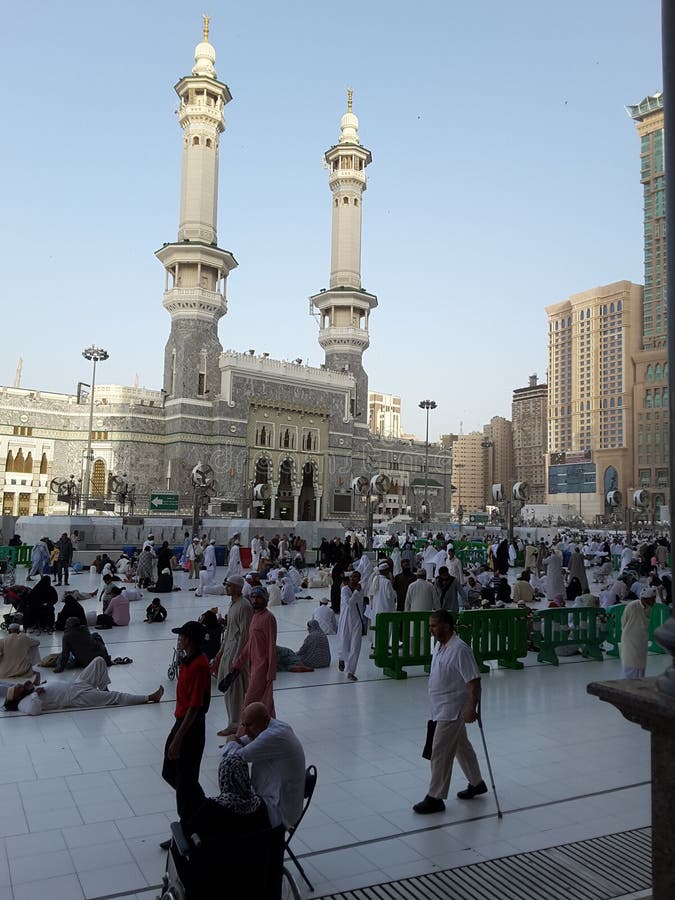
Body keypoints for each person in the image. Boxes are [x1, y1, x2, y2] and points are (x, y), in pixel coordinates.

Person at [228, 702, 306, 896]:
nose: (245, 730)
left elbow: (234, 758)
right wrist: (239, 739)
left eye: (249, 725)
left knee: (229, 820)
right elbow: (246, 740)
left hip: (278, 811)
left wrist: (231, 741)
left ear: (265, 720)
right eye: (243, 725)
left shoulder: (274, 736)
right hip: (274, 799)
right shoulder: (271, 728)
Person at [413, 609, 486, 814]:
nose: (431, 630)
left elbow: (474, 681)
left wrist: (472, 707)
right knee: (462, 747)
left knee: (440, 752)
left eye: (433, 626)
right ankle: (476, 782)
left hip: (452, 709)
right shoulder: (439, 646)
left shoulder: (460, 649)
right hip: (439, 707)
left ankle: (435, 797)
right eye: (430, 626)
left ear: (446, 625)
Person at [161, 621, 211, 839]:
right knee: (173, 773)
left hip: (191, 726)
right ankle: (205, 811)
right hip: (182, 721)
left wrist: (178, 738)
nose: (179, 639)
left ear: (190, 640)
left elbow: (196, 706)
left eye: (182, 636)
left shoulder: (200, 665)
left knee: (185, 780)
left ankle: (188, 827)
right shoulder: (187, 661)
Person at [3, 657, 163, 714]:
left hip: (76, 684)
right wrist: (36, 694)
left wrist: (38, 686)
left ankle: (102, 690)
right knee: (116, 697)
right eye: (17, 689)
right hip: (76, 697)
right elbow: (34, 711)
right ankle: (149, 697)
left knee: (99, 661)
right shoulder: (23, 704)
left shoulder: (28, 691)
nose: (19, 686)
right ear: (17, 697)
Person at [215, 574, 253, 737]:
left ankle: (236, 724)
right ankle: (233, 721)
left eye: (229, 585)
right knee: (228, 688)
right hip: (229, 650)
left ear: (238, 587)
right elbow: (230, 630)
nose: (227, 588)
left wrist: (238, 659)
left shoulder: (244, 606)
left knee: (236, 690)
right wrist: (221, 650)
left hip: (236, 652)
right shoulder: (233, 604)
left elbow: (244, 635)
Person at [232, 585, 277, 717]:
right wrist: (239, 662)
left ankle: (242, 732)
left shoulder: (268, 618)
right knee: (265, 702)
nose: (255, 600)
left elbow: (271, 646)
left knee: (250, 702)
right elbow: (249, 643)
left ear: (265, 599)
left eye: (259, 597)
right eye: (253, 597)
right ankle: (268, 728)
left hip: (262, 669)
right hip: (253, 666)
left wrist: (271, 672)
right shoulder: (255, 616)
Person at [620, 586, 657, 678]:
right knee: (630, 666)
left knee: (640, 666)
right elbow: (623, 621)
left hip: (642, 640)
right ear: (645, 599)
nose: (654, 602)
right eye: (652, 599)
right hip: (630, 641)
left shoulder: (649, 608)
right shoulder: (632, 606)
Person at [336, 571, 363, 681]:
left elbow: (360, 605)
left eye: (356, 577)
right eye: (352, 577)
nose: (353, 579)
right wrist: (356, 591)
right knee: (344, 641)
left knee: (355, 646)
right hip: (346, 619)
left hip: (357, 620)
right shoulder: (345, 590)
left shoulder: (360, 590)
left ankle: (351, 671)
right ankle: (341, 658)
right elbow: (349, 603)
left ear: (359, 579)